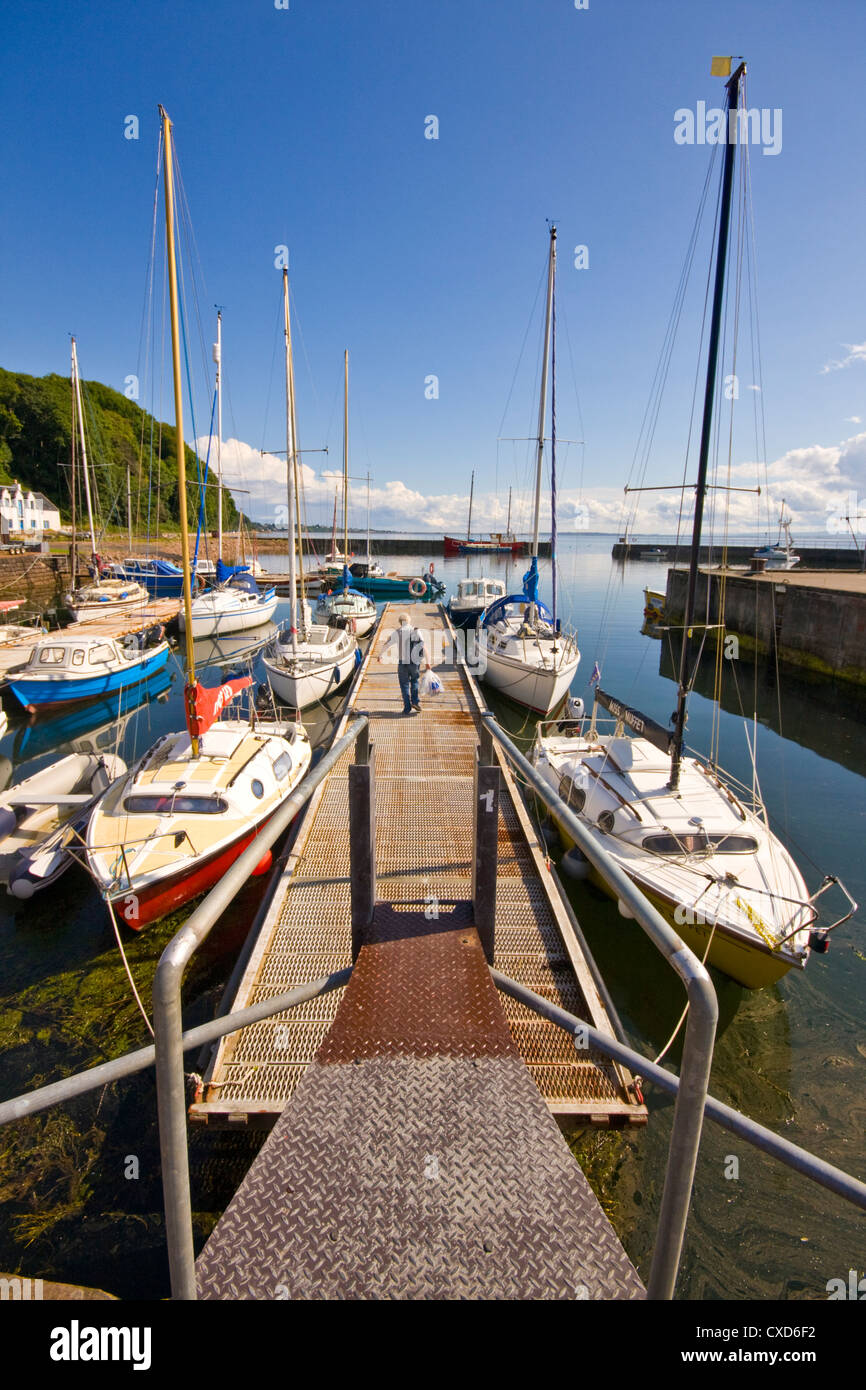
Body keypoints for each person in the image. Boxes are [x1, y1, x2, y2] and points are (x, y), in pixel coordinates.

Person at [378, 613, 430, 714]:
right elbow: (423, 646)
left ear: (400, 622)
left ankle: (407, 707)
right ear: (409, 621)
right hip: (414, 662)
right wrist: (428, 662)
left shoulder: (397, 632)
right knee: (414, 681)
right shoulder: (416, 631)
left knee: (404, 684)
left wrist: (380, 655)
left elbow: (386, 644)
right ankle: (415, 701)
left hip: (402, 663)